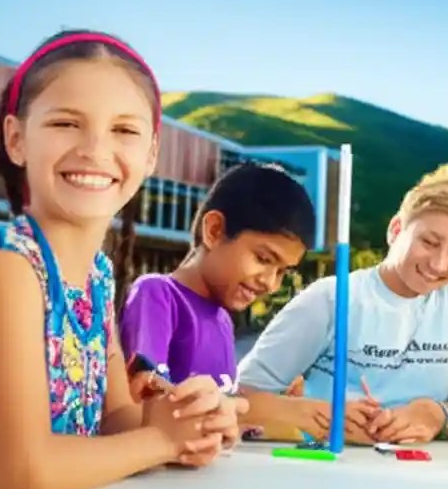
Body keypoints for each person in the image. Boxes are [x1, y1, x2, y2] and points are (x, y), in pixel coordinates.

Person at [0, 31, 238, 489]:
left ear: (152, 154)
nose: (96, 149)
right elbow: (22, 473)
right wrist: (159, 441)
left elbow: (114, 419)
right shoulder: (1, 264)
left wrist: (191, 423)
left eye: (124, 130)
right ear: (16, 139)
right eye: (65, 122)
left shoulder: (95, 277)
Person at [236, 165, 448, 445]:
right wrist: (320, 418)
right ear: (395, 230)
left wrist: (436, 414)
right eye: (428, 242)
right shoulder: (332, 298)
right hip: (328, 468)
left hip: (423, 471)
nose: (439, 263)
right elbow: (242, 397)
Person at [120, 162, 316, 390]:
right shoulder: (157, 295)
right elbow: (144, 393)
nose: (270, 284)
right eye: (263, 259)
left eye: (282, 272)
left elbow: (225, 409)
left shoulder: (223, 322)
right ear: (214, 230)